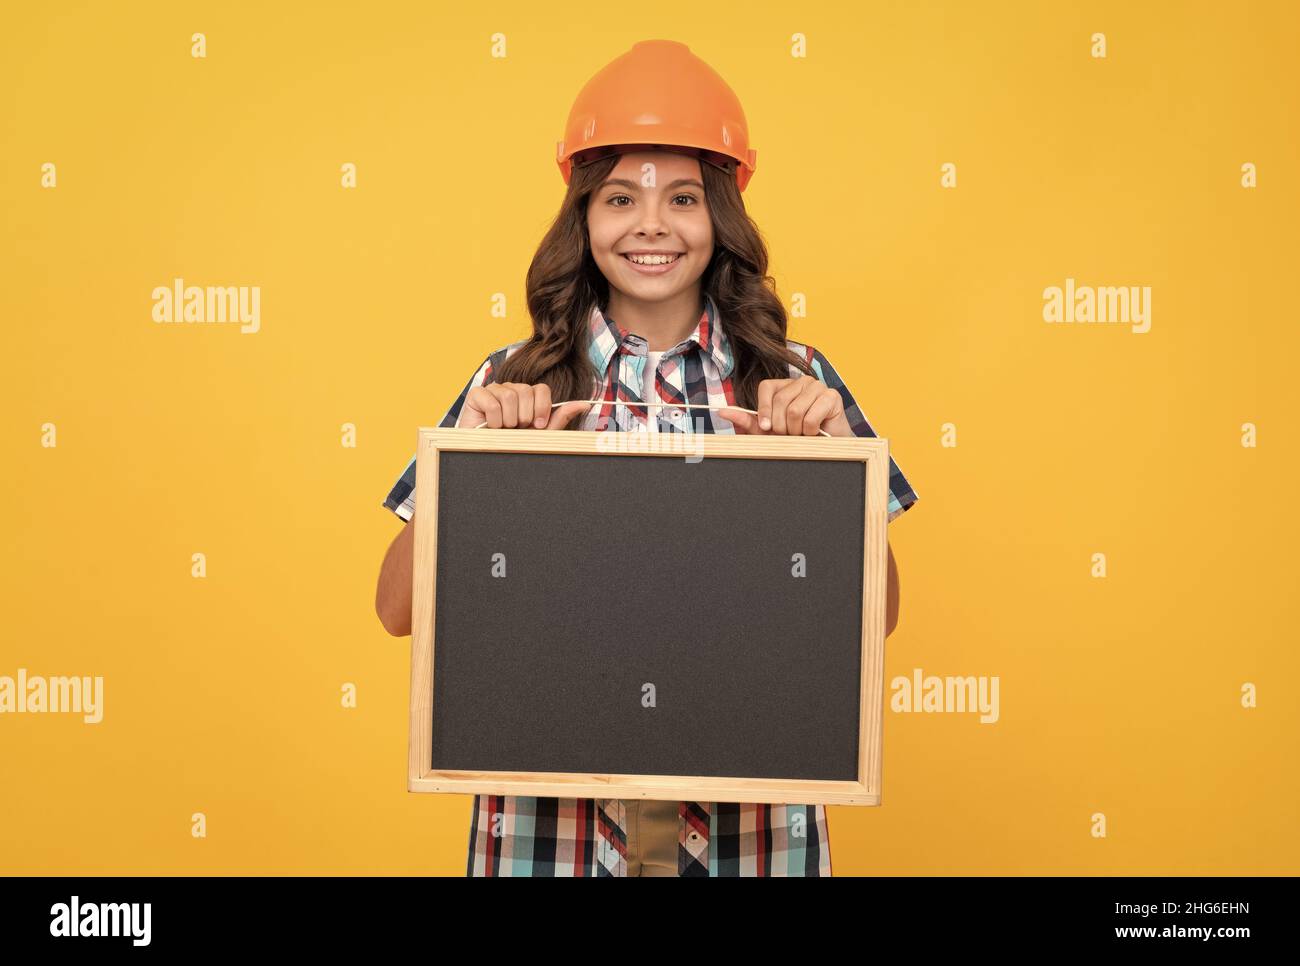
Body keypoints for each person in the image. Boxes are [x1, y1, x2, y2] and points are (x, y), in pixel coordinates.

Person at [374, 39, 919, 876]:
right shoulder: (512, 382)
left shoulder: (794, 381)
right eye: (622, 197)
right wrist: (480, 464)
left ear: (721, 220)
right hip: (547, 838)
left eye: (685, 198)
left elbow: (873, 621)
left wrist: (835, 469)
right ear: (585, 220)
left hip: (751, 841)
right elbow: (397, 609)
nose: (652, 225)